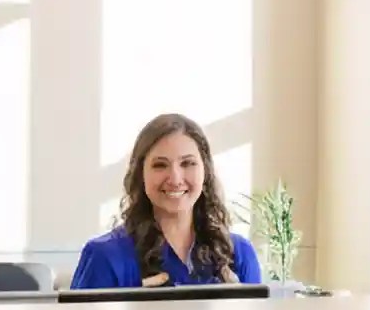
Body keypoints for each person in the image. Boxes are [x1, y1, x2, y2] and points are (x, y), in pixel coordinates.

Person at [70, 113, 262, 289]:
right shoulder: (104, 256)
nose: (175, 179)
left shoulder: (239, 255)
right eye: (160, 165)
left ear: (206, 172)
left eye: (188, 163)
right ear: (140, 174)